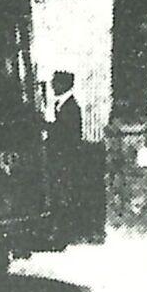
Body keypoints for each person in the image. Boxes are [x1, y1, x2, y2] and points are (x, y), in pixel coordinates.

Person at [45, 71, 95, 243]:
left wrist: (48, 128)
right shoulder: (62, 106)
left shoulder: (70, 108)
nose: (52, 86)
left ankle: (64, 233)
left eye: (55, 83)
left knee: (64, 195)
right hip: (62, 159)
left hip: (66, 159)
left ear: (64, 84)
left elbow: (64, 134)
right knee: (60, 195)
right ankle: (61, 231)